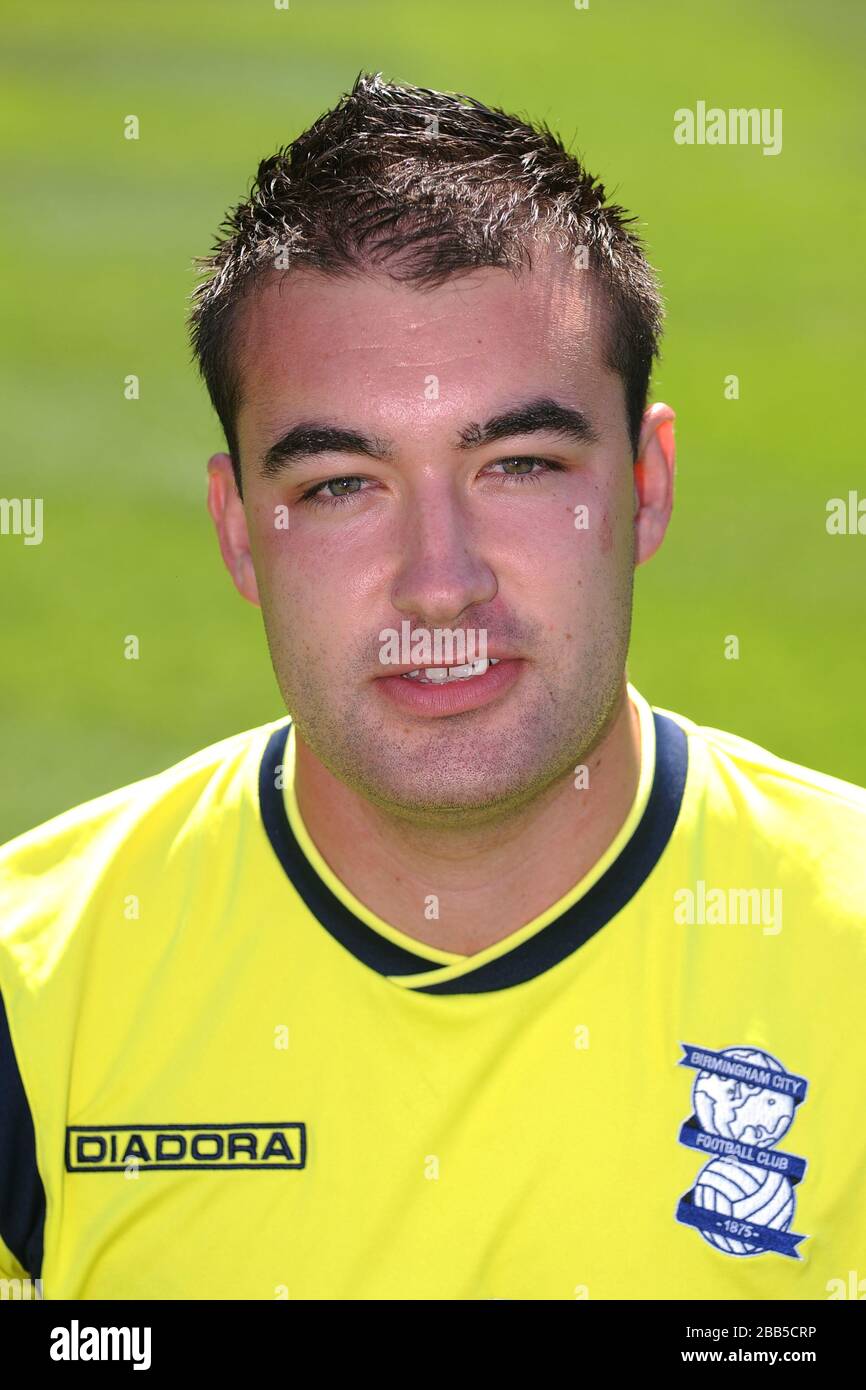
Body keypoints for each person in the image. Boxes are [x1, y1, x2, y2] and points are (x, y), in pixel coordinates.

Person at [1, 72, 863, 1301]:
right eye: (341, 485)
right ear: (240, 530)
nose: (440, 583)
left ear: (645, 484)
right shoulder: (28, 1001)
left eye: (516, 464)